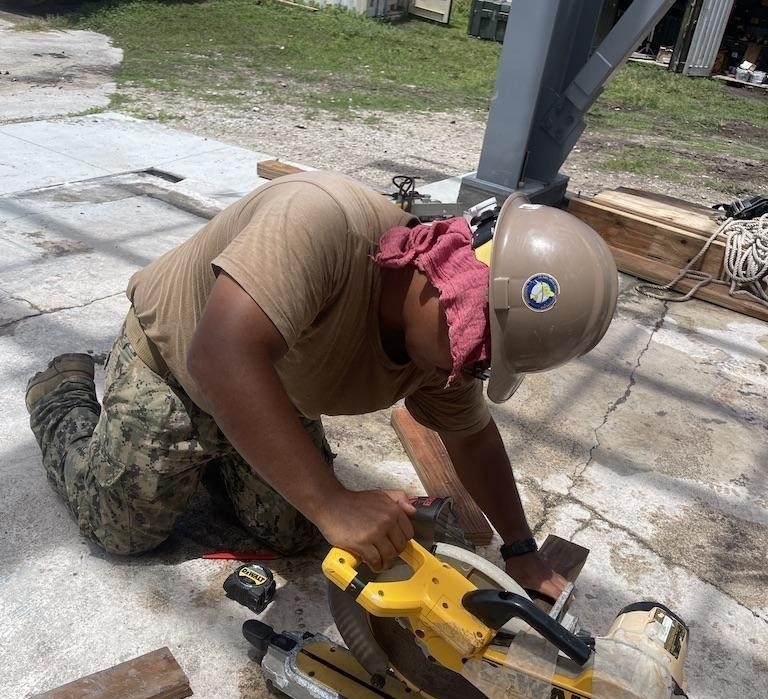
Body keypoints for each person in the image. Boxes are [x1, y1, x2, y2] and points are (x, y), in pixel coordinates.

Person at [26, 171, 618, 601]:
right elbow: (220, 353)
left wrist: (521, 550)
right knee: (123, 530)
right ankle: (62, 393)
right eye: (471, 350)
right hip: (178, 365)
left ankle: (222, 456)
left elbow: (472, 439)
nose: (462, 372)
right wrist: (333, 501)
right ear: (445, 275)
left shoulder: (446, 350)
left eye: (484, 366)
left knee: (295, 533)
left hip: (273, 388)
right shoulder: (319, 219)